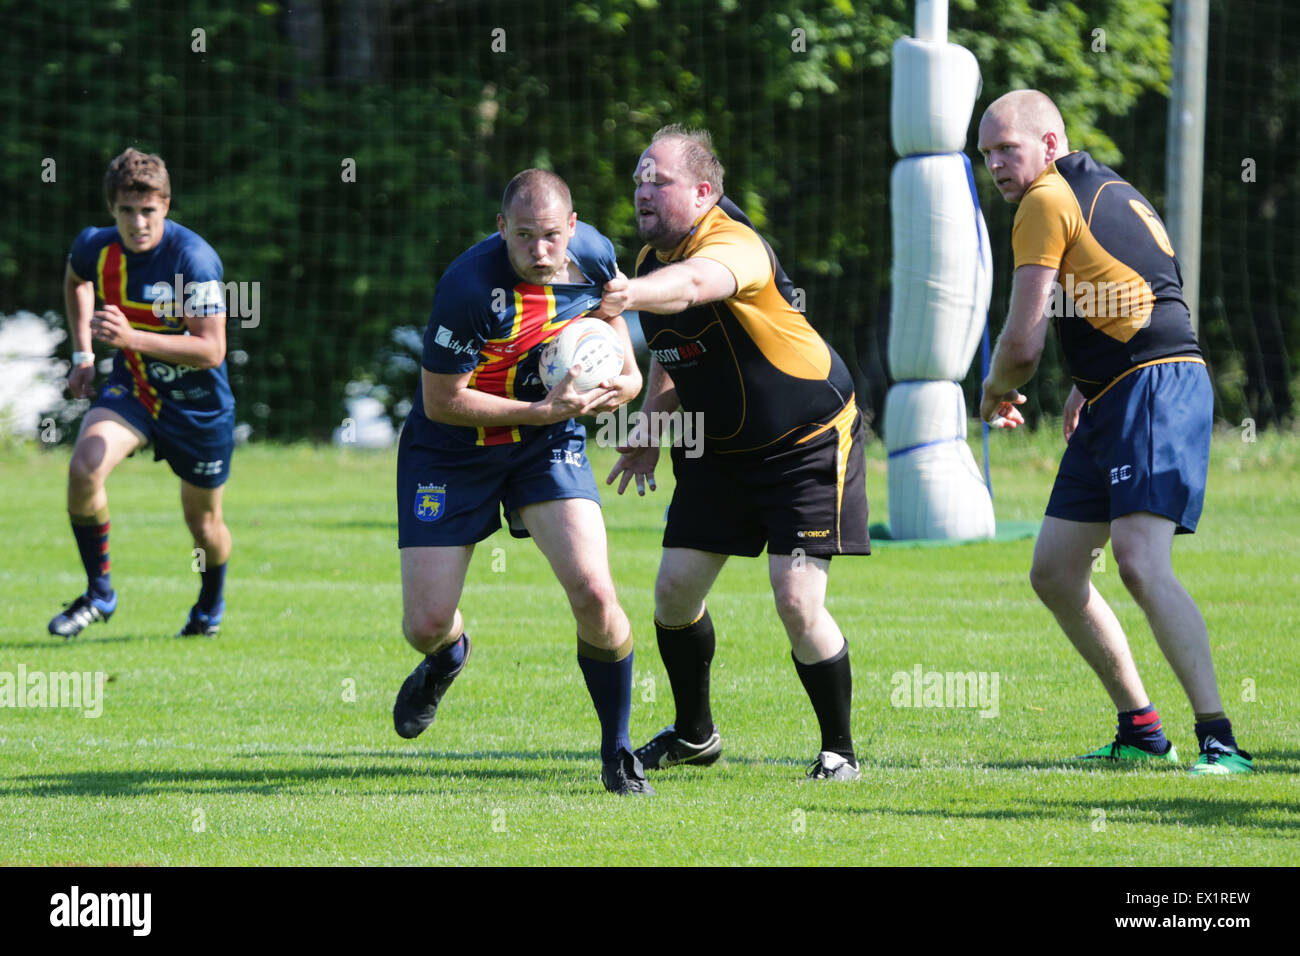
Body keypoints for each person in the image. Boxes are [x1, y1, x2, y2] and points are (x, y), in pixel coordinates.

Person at [977, 90, 1252, 774]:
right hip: (1120, 390)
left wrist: (994, 391)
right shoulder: (1109, 187)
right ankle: (1142, 731)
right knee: (1056, 571)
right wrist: (1088, 382)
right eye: (985, 155)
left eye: (1007, 149)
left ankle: (1221, 740)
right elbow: (1144, 282)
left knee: (1138, 560)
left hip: (1154, 387)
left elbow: (1022, 339)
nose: (996, 166)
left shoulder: (1045, 199)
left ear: (1048, 143)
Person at [600, 126, 869, 781]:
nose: (642, 190)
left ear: (702, 191)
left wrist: (629, 296)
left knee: (797, 598)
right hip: (720, 450)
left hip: (806, 440)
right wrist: (649, 428)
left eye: (657, 180)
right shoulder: (646, 265)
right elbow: (671, 354)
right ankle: (696, 736)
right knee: (672, 594)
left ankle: (840, 750)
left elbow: (696, 286)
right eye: (638, 178)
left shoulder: (734, 244)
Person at [393, 169, 652, 795]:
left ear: (571, 227)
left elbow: (612, 318)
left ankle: (617, 752)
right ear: (500, 228)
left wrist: (630, 382)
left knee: (594, 591)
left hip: (545, 444)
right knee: (424, 624)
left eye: (551, 237)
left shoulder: (591, 253)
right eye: (525, 237)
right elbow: (441, 401)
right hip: (453, 447)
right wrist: (542, 411)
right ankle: (448, 657)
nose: (540, 253)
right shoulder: (467, 288)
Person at [50, 148, 233, 640]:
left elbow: (212, 350)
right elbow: (75, 280)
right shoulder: (96, 247)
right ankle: (99, 592)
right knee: (84, 467)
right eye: (127, 211)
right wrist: (84, 354)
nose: (138, 223)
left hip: (198, 406)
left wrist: (131, 338)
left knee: (204, 526)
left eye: (148, 210)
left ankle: (208, 607)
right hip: (135, 389)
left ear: (166, 206)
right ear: (112, 210)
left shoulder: (194, 260)